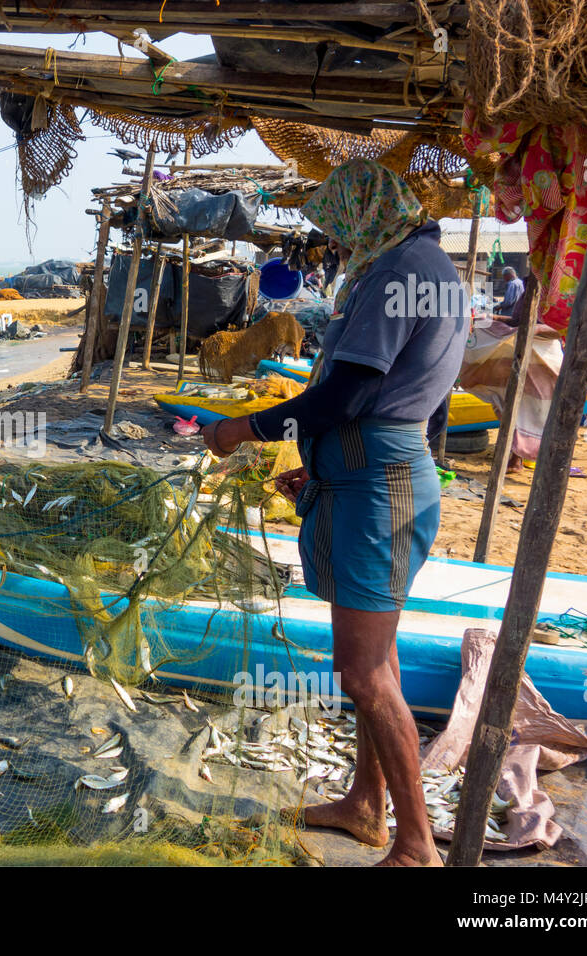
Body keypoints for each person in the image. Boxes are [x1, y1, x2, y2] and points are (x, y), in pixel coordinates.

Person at [203, 158, 467, 866]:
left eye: (339, 224)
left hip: (380, 483)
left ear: (364, 211)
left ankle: (414, 844)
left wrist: (241, 430)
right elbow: (404, 399)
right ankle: (364, 804)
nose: (336, 239)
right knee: (376, 661)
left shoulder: (395, 273)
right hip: (369, 473)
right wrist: (318, 466)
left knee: (361, 671)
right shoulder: (426, 264)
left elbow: (344, 397)